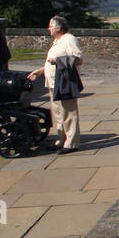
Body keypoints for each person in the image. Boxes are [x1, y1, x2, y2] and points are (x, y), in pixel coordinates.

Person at [26, 15, 82, 153]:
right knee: (58, 113)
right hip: (53, 82)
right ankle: (61, 140)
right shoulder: (58, 41)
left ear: (58, 27)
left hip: (64, 81)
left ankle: (71, 143)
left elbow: (78, 59)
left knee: (68, 113)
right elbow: (51, 62)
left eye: (51, 26)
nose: (48, 28)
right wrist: (40, 71)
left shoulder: (69, 39)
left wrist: (58, 61)